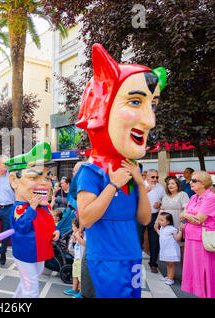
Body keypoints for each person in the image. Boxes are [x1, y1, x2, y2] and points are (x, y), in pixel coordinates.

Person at [72, 43, 166, 298]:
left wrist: (139, 183)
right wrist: (112, 184)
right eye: (135, 101)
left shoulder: (131, 169)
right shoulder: (91, 172)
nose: (150, 120)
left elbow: (145, 219)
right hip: (103, 259)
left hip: (132, 257)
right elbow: (87, 218)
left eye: (152, 105)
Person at [6, 142, 60, 298]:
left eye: (48, 178)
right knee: (32, 289)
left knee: (29, 282)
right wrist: (32, 208)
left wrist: (54, 231)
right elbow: (21, 226)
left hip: (39, 252)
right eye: (34, 177)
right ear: (14, 180)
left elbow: (47, 223)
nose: (44, 183)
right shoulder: (20, 208)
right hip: (26, 253)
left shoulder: (42, 207)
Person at [180, 170, 215, 298]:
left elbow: (200, 219)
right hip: (191, 238)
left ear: (204, 183)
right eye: (192, 180)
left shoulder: (210, 197)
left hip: (203, 240)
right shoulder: (194, 197)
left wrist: (186, 215)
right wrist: (188, 216)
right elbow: (182, 214)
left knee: (205, 272)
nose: (191, 183)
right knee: (195, 272)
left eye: (195, 180)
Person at [137, 169, 165, 273]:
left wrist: (160, 203)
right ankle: (136, 263)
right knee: (138, 240)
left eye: (157, 177)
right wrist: (145, 191)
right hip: (140, 215)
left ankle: (153, 263)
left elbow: (165, 200)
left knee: (154, 241)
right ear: (147, 177)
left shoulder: (160, 187)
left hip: (154, 216)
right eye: (153, 177)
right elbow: (135, 199)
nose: (155, 179)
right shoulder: (140, 185)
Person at [153, 212, 183, 285]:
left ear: (168, 222)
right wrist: (157, 222)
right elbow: (157, 229)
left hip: (172, 250)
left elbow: (177, 238)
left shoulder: (172, 229)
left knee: (171, 265)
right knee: (168, 264)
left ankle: (171, 279)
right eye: (160, 220)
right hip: (166, 249)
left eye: (162, 220)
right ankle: (168, 276)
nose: (160, 221)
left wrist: (181, 230)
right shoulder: (163, 228)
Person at [64, 217, 86, 298]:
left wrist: (78, 237)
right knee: (75, 274)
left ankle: (81, 291)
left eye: (73, 227)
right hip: (76, 258)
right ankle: (74, 289)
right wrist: (74, 238)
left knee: (80, 276)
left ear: (78, 227)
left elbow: (84, 244)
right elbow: (72, 243)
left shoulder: (84, 234)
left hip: (81, 259)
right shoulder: (76, 234)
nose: (72, 228)